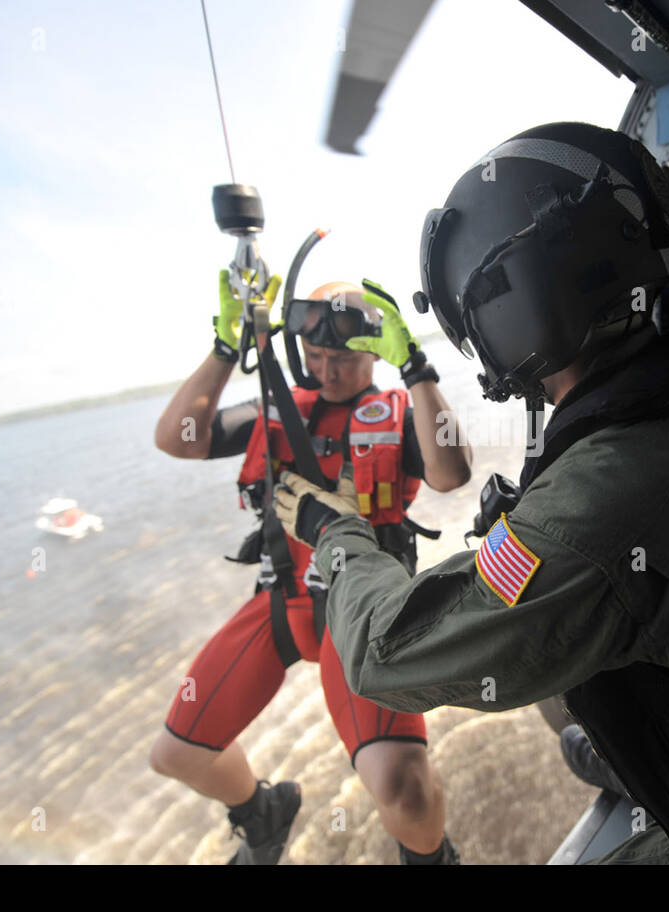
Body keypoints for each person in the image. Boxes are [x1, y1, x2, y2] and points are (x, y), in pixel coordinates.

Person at [273, 122, 669, 865]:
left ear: (507, 303)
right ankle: (631, 767)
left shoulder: (612, 488)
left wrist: (336, 532)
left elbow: (385, 653)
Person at [149, 271, 472, 865]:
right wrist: (226, 347)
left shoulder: (398, 412)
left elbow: (452, 474)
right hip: (281, 602)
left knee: (409, 797)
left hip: (363, 616)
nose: (327, 371)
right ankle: (262, 813)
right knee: (176, 754)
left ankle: (429, 857)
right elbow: (178, 438)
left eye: (342, 359)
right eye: (315, 356)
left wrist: (417, 367)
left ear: (373, 351)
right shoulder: (275, 408)